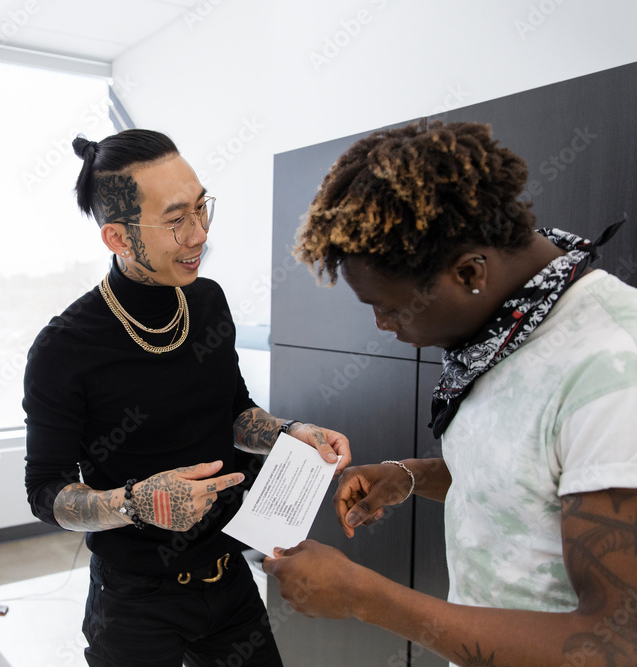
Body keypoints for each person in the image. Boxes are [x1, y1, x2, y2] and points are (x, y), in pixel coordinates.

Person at [262, 119, 637, 666]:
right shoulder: (503, 330)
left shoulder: (613, 371)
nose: (383, 325)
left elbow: (615, 646)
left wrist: (364, 597)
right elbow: (532, 480)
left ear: (468, 273)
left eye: (388, 306)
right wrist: (410, 476)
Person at [23, 128, 351, 667]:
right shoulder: (65, 348)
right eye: (176, 221)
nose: (199, 235)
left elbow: (236, 414)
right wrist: (134, 502)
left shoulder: (207, 302)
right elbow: (46, 493)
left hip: (229, 579)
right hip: (133, 602)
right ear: (119, 239)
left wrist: (292, 433)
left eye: (203, 209)